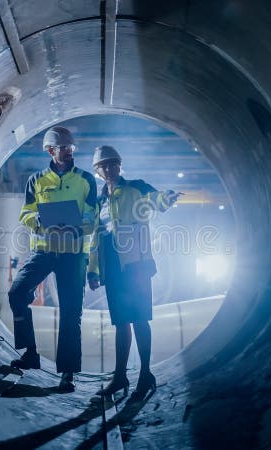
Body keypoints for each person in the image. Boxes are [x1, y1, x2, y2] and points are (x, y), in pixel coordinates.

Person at [87, 145, 182, 397]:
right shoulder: (98, 201)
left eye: (113, 163)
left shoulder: (136, 187)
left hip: (137, 266)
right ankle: (120, 377)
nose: (109, 169)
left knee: (140, 319)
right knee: (121, 323)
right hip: (113, 268)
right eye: (104, 165)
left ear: (120, 165)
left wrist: (167, 198)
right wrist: (93, 271)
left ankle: (145, 374)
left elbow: (156, 199)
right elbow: (95, 239)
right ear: (98, 170)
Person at [8, 126, 98, 392]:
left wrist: (76, 227)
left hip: (73, 255)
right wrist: (35, 220)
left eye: (71, 148)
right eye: (64, 148)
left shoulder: (86, 180)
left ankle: (68, 373)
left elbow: (92, 217)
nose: (69, 152)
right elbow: (25, 213)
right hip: (44, 251)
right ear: (50, 150)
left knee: (71, 313)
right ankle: (30, 352)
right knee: (17, 292)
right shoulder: (36, 180)